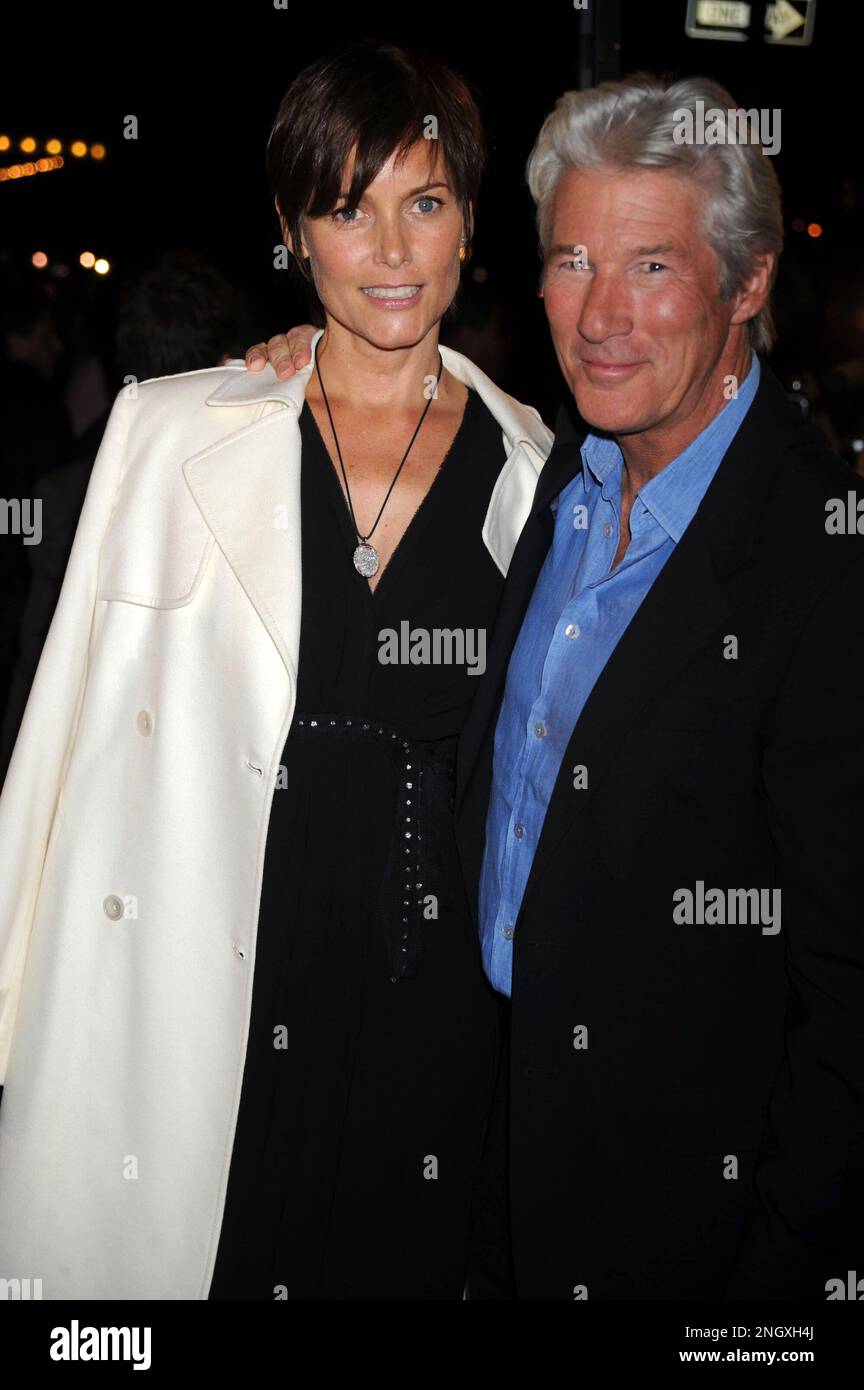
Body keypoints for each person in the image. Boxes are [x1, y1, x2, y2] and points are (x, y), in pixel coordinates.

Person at [247, 72, 864, 1300]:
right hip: (488, 1168)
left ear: (747, 284)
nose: (599, 316)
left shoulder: (819, 559)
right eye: (573, 259)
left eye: (652, 266)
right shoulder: (556, 482)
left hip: (682, 1229)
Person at [0, 39, 552, 1299]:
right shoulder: (172, 431)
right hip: (198, 985)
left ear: (472, 223)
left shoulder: (541, 477)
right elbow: (60, 729)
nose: (394, 251)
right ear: (296, 234)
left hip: (428, 1024)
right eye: (347, 209)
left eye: (424, 202)